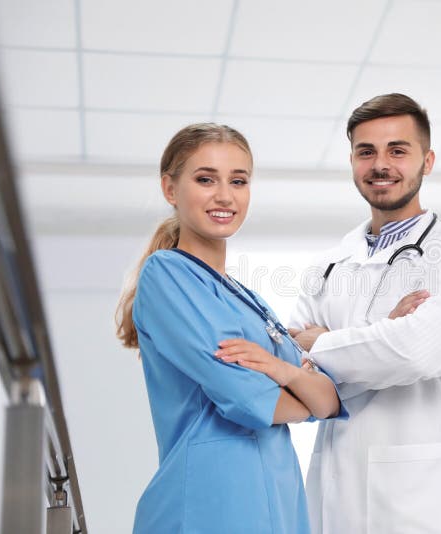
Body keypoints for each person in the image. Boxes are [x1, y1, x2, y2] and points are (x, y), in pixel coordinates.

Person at [219, 93, 441, 533]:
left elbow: (414, 354)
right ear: (352, 161)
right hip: (335, 487)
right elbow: (292, 367)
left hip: (421, 498)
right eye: (367, 152)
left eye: (398, 150)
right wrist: (380, 333)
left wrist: (319, 345)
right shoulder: (327, 266)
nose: (381, 164)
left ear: (428, 160)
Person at [115, 123, 346, 534]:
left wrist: (283, 373)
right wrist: (299, 392)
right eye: (206, 179)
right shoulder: (167, 274)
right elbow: (246, 398)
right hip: (211, 502)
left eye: (238, 181)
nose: (225, 195)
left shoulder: (250, 301)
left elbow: (328, 401)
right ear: (170, 189)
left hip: (277, 499)